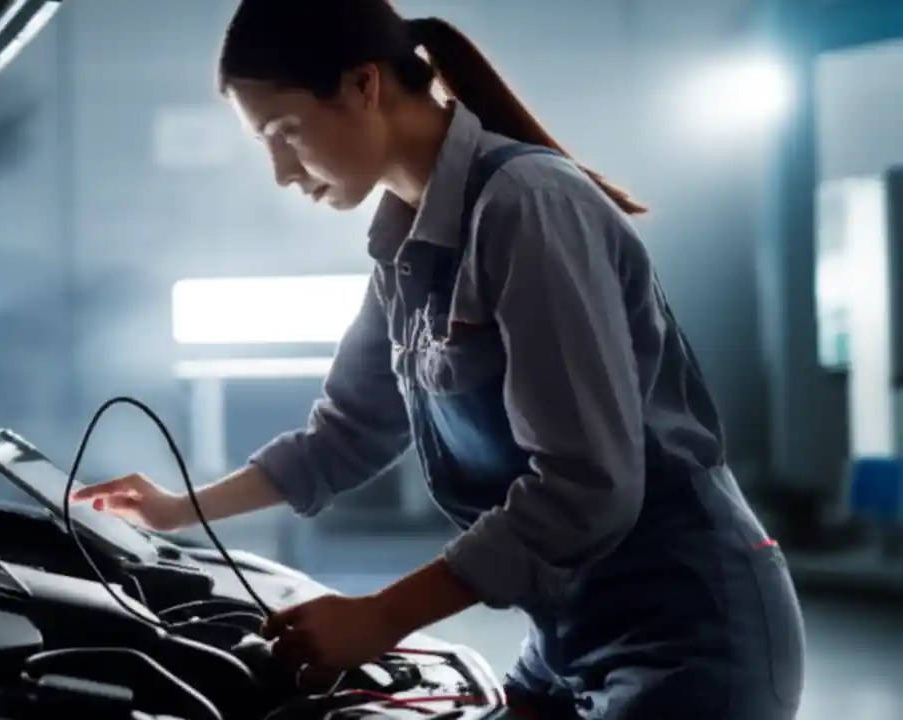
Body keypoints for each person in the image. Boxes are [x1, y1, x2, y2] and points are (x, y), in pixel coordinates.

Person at [71, 1, 805, 717]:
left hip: (688, 630)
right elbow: (346, 435)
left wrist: (383, 617)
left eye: (287, 131)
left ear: (364, 85)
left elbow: (588, 486)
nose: (281, 173)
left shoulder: (527, 204)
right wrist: (182, 508)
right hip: (567, 632)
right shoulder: (408, 245)